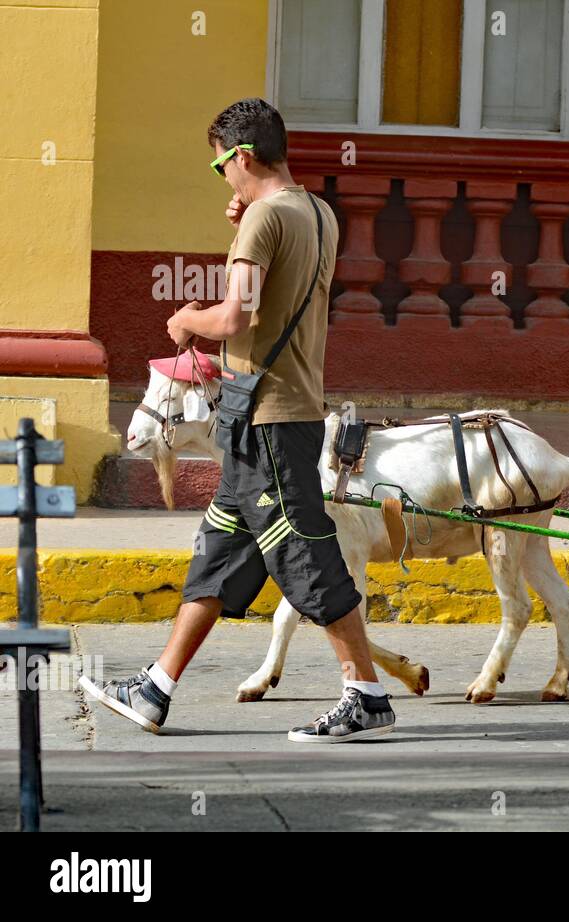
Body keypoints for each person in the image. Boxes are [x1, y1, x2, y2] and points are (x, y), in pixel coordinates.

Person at [80, 98, 395, 743]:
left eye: (219, 163)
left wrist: (186, 318)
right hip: (280, 412)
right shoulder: (318, 213)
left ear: (242, 156)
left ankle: (364, 692)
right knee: (222, 554)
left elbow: (237, 318)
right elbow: (272, 297)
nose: (220, 175)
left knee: (303, 550)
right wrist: (244, 223)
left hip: (268, 418)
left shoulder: (263, 224)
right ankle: (155, 689)